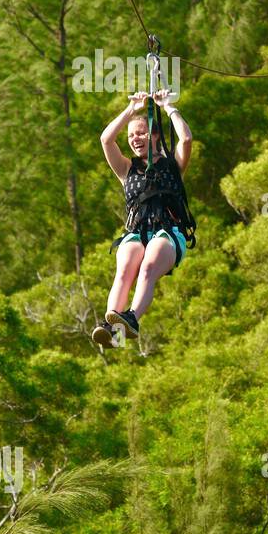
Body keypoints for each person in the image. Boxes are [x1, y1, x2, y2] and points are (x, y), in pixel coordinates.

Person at [92, 90, 195, 347]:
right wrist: (131, 110)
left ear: (155, 135)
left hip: (168, 233)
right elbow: (106, 139)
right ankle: (113, 330)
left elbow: (186, 138)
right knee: (125, 265)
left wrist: (168, 107)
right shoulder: (127, 169)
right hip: (137, 232)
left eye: (140, 133)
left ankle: (132, 319)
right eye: (130, 136)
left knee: (148, 266)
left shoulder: (173, 165)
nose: (134, 139)